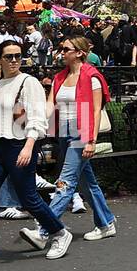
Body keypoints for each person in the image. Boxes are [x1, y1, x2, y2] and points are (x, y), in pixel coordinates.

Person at [20, 37, 117, 250]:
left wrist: (91, 140)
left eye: (66, 49)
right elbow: (49, 104)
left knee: (66, 181)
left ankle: (45, 230)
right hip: (64, 133)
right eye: (61, 49)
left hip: (81, 134)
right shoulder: (59, 77)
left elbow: (95, 111)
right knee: (85, 181)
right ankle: (106, 222)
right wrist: (37, 122)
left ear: (80, 53)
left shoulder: (92, 77)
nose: (61, 52)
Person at [0, 40, 74, 259]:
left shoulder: (28, 82)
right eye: (9, 56)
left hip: (19, 144)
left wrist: (29, 145)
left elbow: (37, 117)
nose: (15, 60)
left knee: (29, 198)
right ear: (0, 59)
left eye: (18, 56)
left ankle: (60, 232)